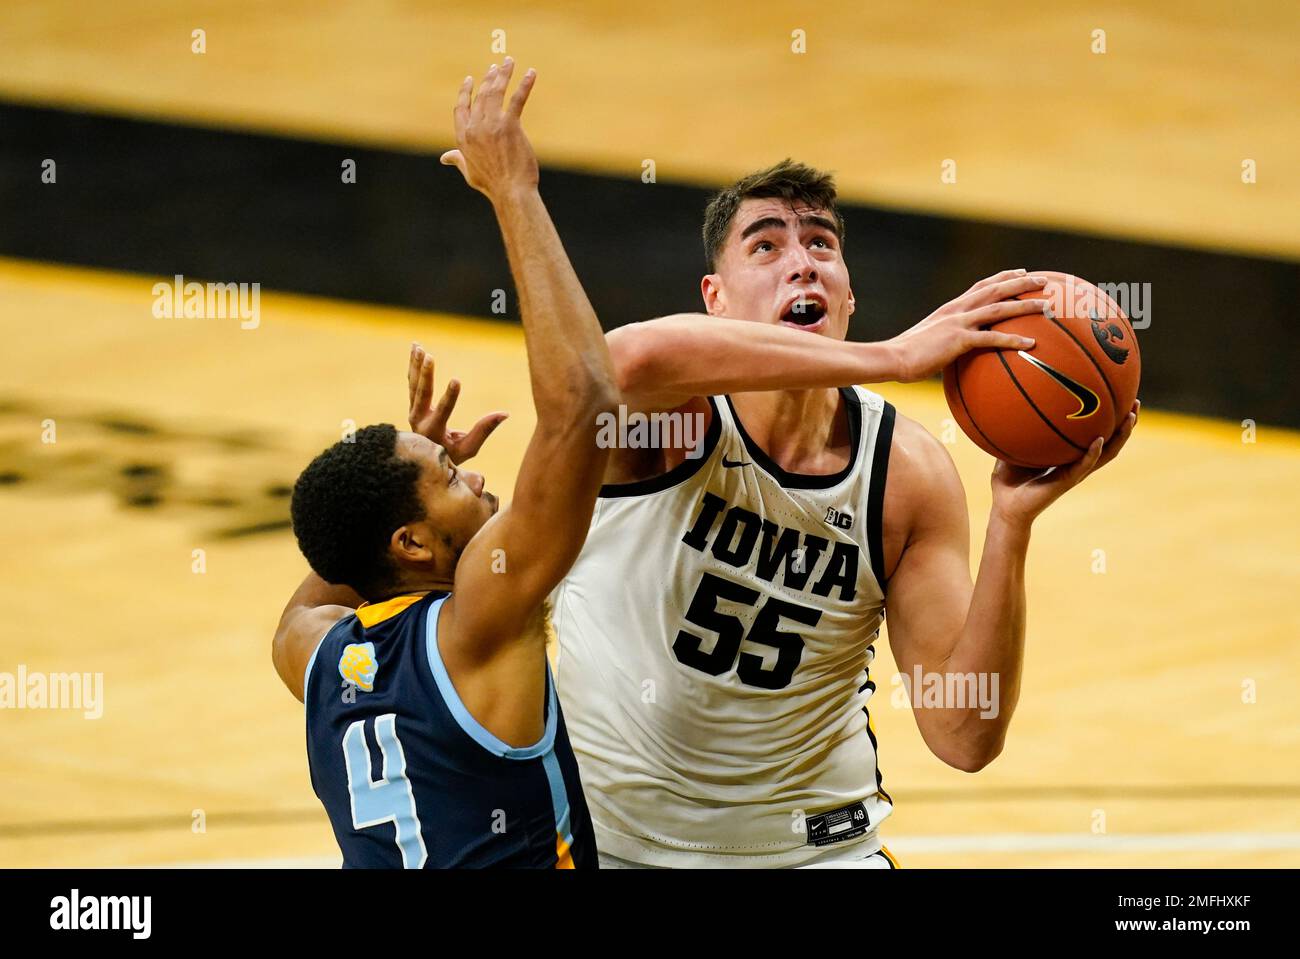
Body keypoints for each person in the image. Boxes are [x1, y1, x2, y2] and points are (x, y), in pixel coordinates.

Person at [549, 159, 1140, 868]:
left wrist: (1010, 527)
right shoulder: (673, 421)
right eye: (765, 246)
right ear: (716, 298)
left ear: (850, 294)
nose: (802, 264)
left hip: (817, 849)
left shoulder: (904, 475)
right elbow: (612, 364)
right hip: (619, 849)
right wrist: (889, 356)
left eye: (821, 244)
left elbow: (963, 735)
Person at [270, 58, 617, 867]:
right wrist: (515, 192)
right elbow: (588, 405)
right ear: (414, 546)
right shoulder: (480, 622)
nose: (480, 474)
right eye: (456, 476)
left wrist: (418, 485)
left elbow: (332, 561)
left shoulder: (318, 656)